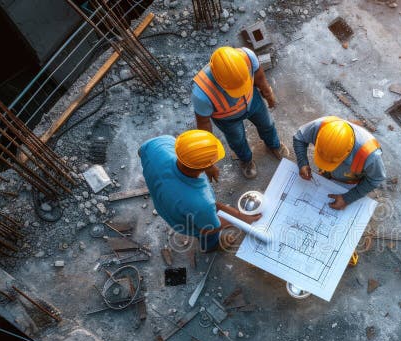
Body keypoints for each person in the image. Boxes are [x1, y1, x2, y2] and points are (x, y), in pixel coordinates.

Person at [139, 129, 259, 252]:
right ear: (203, 167)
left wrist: (208, 166)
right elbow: (209, 228)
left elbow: (141, 151)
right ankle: (211, 246)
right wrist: (240, 220)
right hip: (183, 220)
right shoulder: (201, 202)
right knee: (207, 235)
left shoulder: (160, 144)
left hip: (163, 201)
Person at [191, 46, 288, 180]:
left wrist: (268, 94)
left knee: (268, 124)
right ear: (219, 81)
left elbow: (259, 76)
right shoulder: (201, 94)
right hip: (227, 119)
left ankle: (274, 145)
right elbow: (204, 125)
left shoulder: (247, 57)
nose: (240, 92)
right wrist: (208, 161)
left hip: (253, 102)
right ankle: (246, 160)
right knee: (237, 141)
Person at [293, 116, 386, 210]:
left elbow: (376, 179)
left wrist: (348, 198)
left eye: (332, 161)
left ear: (348, 151)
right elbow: (299, 138)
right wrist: (303, 163)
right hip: (329, 175)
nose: (327, 164)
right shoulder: (320, 127)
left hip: (349, 182)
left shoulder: (370, 155)